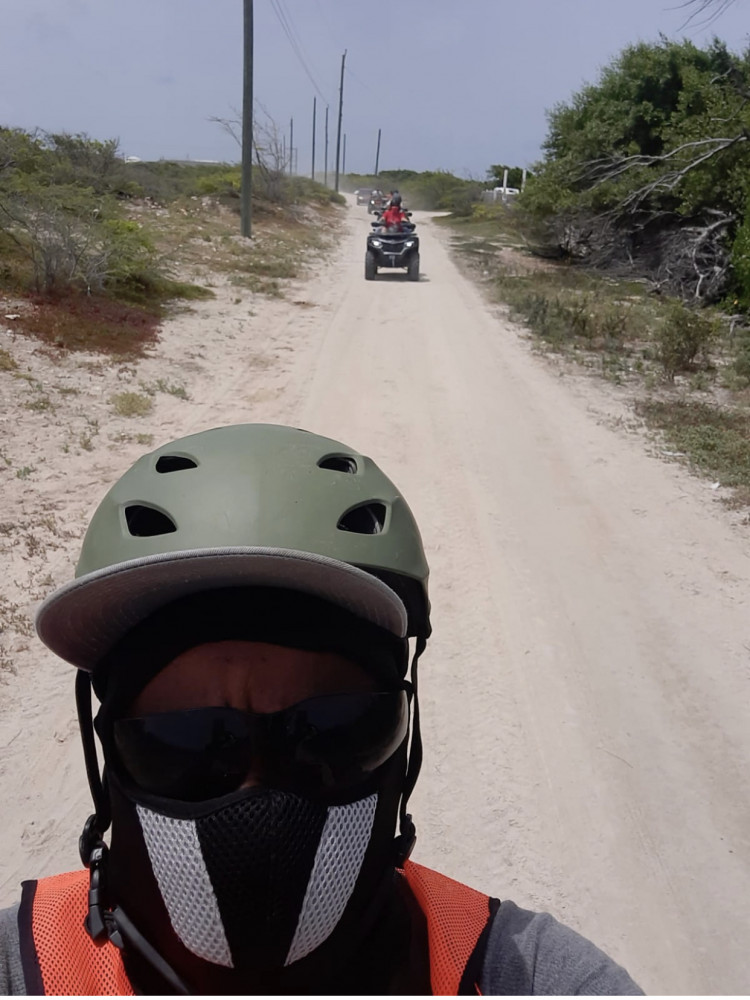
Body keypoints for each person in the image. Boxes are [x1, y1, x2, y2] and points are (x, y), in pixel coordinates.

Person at [0, 424, 644, 995]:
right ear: (108, 746)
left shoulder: (518, 973)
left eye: (331, 727)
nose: (256, 792)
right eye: (187, 736)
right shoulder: (19, 965)